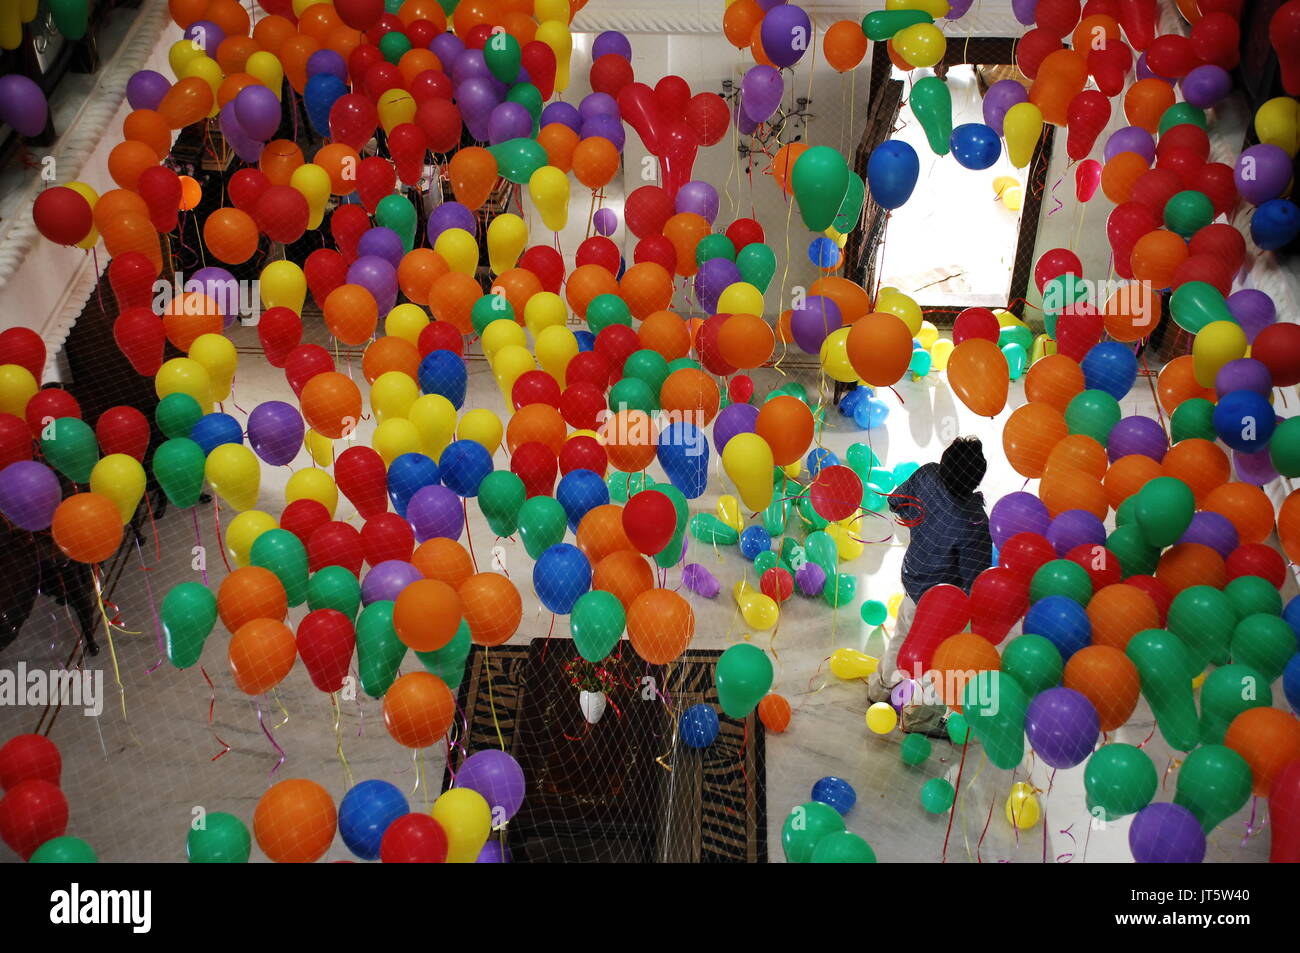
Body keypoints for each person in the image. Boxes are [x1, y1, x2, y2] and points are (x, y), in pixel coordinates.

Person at [866, 436, 994, 736]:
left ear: (944, 464)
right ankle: (919, 719)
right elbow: (974, 577)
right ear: (975, 481)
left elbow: (896, 502)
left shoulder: (926, 475)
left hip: (913, 579)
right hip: (941, 604)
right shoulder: (973, 521)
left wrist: (924, 523)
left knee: (901, 636)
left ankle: (880, 689)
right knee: (936, 661)